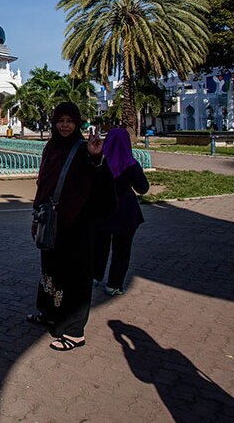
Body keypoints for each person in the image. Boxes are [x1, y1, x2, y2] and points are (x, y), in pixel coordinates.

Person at [27, 102, 115, 352]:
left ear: (77, 123)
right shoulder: (52, 147)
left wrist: (96, 157)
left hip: (77, 224)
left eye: (70, 121)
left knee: (75, 275)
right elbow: (43, 183)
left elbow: (101, 182)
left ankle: (75, 331)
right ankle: (50, 313)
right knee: (51, 270)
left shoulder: (83, 149)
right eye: (60, 121)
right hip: (52, 221)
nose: (64, 125)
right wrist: (36, 216)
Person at [93, 128, 149, 296]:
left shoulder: (100, 162)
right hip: (126, 212)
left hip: (103, 210)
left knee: (99, 246)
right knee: (122, 250)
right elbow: (143, 188)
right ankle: (114, 284)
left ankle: (96, 276)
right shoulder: (131, 164)